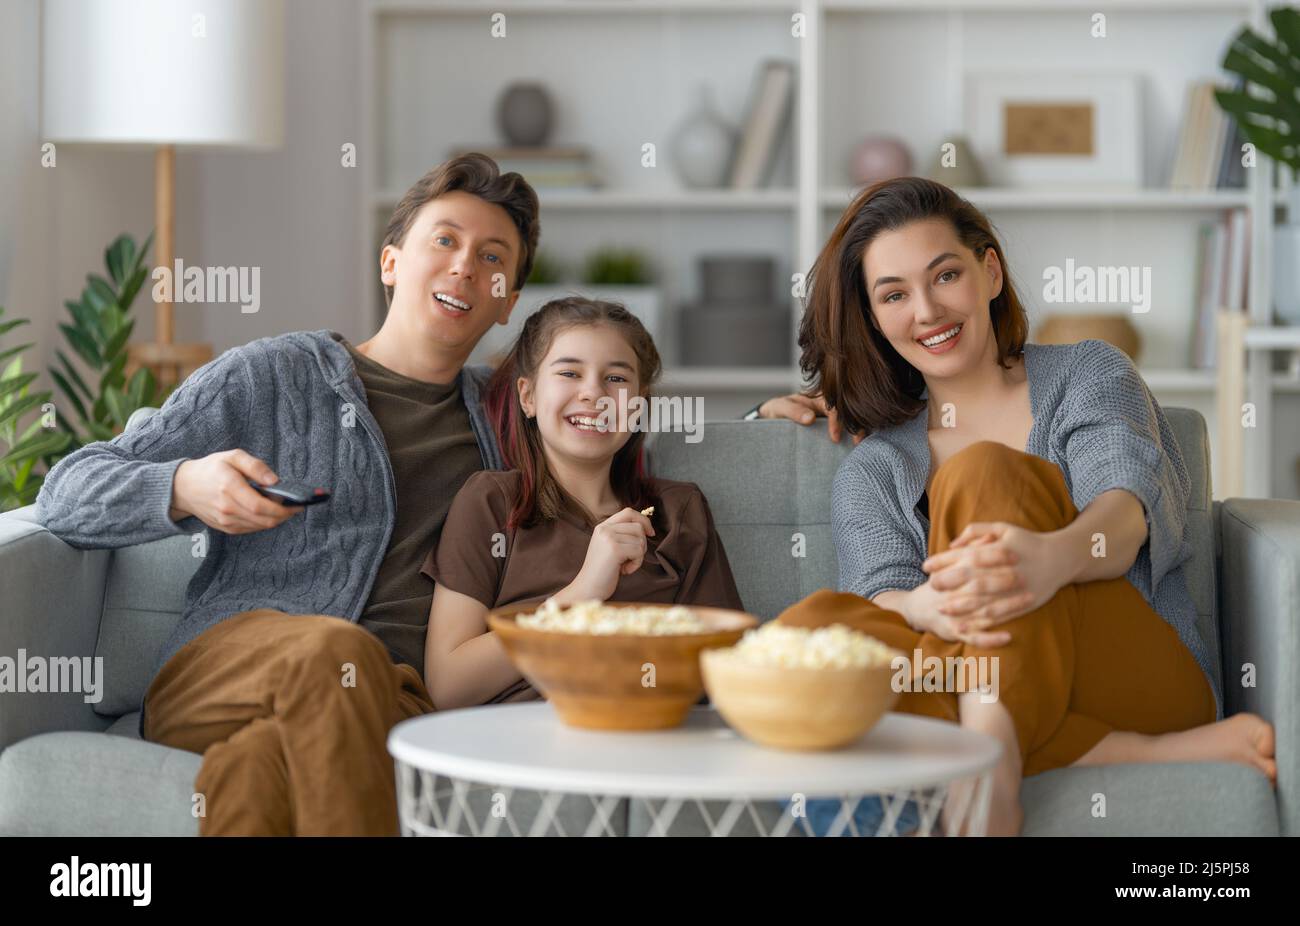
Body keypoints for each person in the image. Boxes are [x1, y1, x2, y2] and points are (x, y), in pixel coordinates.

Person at [35, 153, 539, 835]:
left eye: (492, 258)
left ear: (507, 301)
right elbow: (67, 492)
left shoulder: (511, 420)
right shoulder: (274, 373)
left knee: (257, 769)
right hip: (225, 672)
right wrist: (185, 485)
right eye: (444, 240)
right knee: (334, 655)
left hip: (397, 703)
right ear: (390, 262)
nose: (464, 267)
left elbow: (605, 441)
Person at [756, 176, 1276, 836]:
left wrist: (1051, 559)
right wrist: (924, 606)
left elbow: (1125, 512)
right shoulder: (876, 464)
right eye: (894, 294)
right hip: (982, 674)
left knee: (985, 475)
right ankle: (1114, 752)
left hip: (1132, 670)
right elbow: (879, 602)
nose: (926, 310)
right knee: (805, 636)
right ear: (874, 317)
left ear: (991, 271)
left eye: (945, 275)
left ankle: (993, 762)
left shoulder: (1089, 372)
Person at [423, 297, 743, 708]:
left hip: (650, 736)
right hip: (523, 742)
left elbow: (725, 667)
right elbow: (449, 686)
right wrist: (580, 595)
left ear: (640, 405)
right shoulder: (490, 503)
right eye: (570, 372)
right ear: (528, 396)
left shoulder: (679, 510)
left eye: (616, 378)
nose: (594, 393)